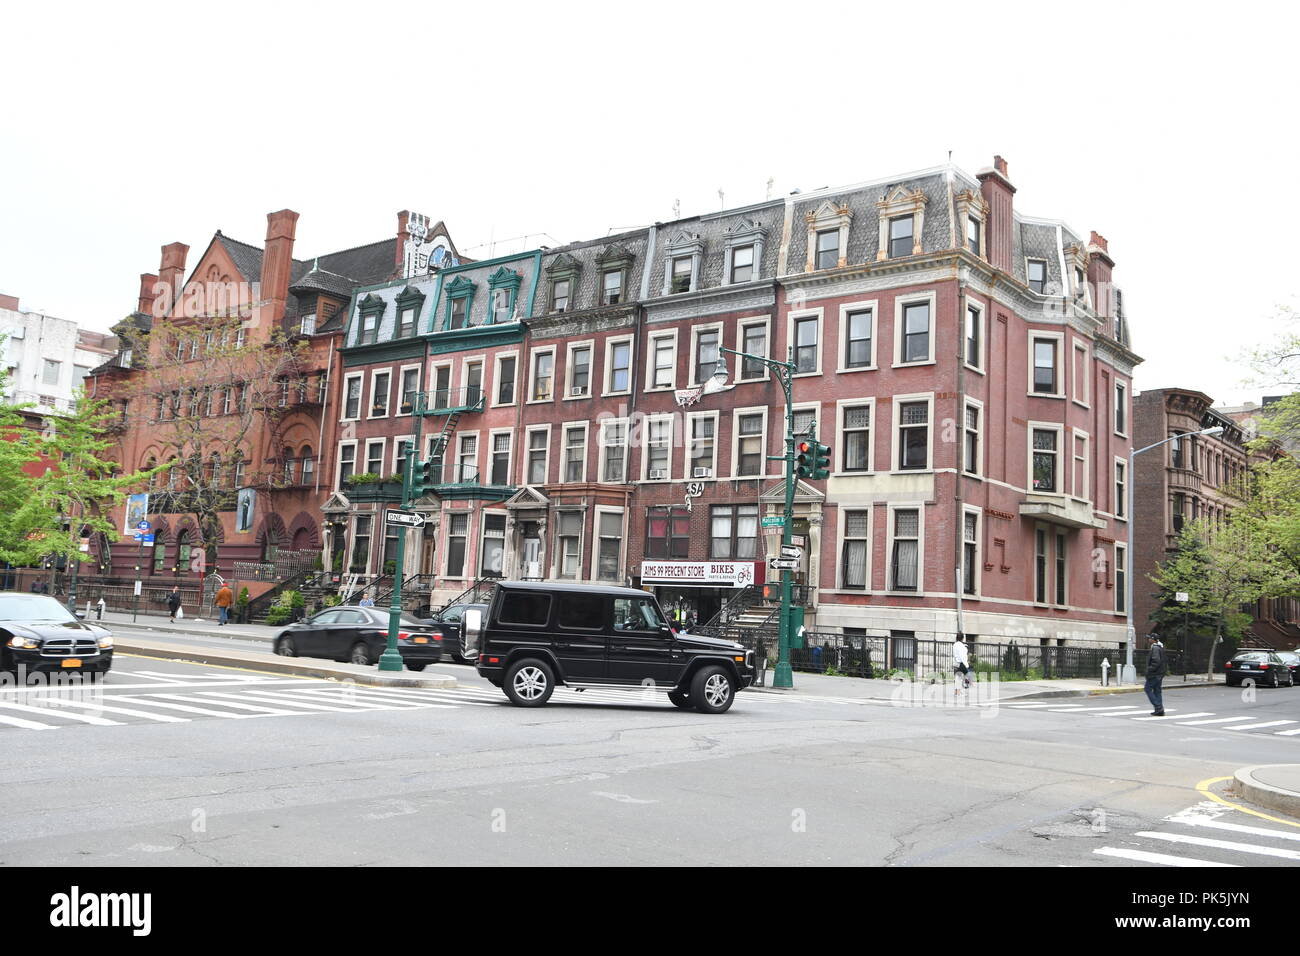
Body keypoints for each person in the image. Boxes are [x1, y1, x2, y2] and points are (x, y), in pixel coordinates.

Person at [1145, 635, 1167, 716]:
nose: (1148, 639)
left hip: (1154, 674)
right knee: (1157, 691)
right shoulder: (1160, 647)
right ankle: (1160, 710)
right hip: (1160, 673)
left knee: (1147, 689)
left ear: (1153, 640)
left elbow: (1156, 661)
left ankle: (1158, 707)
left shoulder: (1155, 648)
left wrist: (1149, 670)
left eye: (1150, 638)